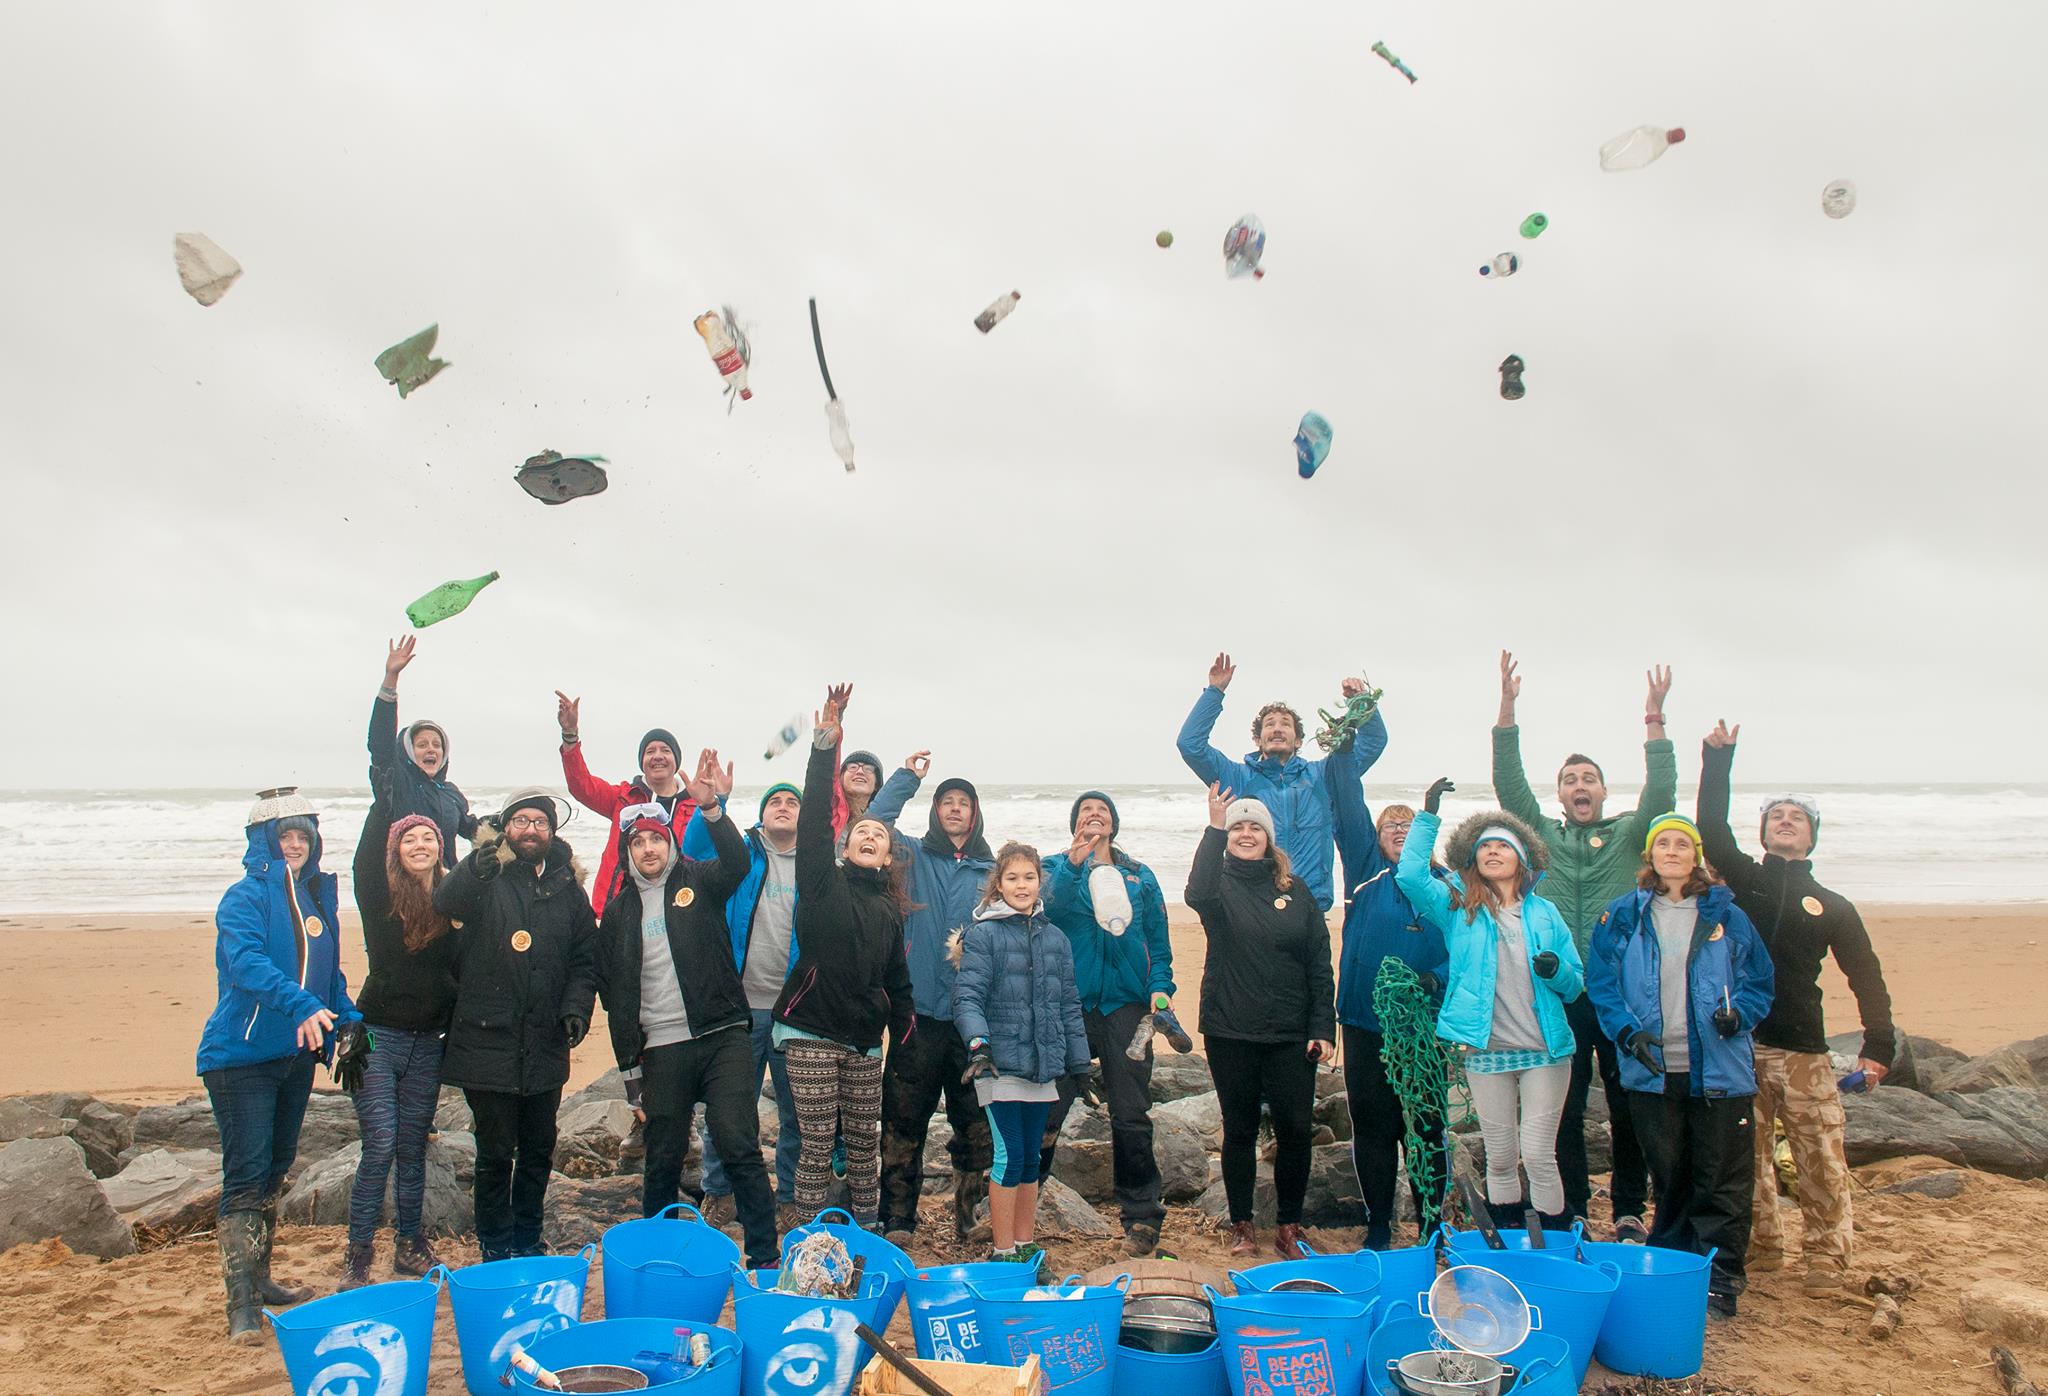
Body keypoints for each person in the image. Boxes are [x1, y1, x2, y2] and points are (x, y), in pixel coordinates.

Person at [1697, 720, 1895, 1298]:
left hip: (1806, 1050)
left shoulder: (1832, 905)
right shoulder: (1747, 881)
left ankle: (1828, 1263)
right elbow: (1710, 826)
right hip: (1741, 1045)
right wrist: (1719, 759)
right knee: (1748, 1161)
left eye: (1798, 817)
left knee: (1821, 1161)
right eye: (1777, 816)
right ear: (1763, 832)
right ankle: (1764, 1250)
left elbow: (1866, 976)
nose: (1786, 822)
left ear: (1811, 837)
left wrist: (1879, 1047)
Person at [1491, 652, 1675, 1239]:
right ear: (1561, 794)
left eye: (1588, 779)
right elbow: (1509, 786)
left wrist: (1654, 721)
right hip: (1559, 991)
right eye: (1569, 780)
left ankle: (1626, 1209)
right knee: (1562, 1110)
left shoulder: (1628, 834)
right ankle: (1569, 1213)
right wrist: (1508, 709)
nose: (1579, 787)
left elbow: (1662, 793)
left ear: (1602, 788)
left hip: (1621, 992)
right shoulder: (1541, 836)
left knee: (1628, 1104)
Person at [596, 750, 780, 1267]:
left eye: (657, 837)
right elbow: (617, 999)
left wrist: (714, 809)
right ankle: (662, 1260)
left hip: (722, 1035)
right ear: (628, 851)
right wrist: (632, 1075)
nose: (649, 847)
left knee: (738, 1142)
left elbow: (739, 864)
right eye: (639, 841)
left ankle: (764, 1259)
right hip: (662, 1048)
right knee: (662, 1160)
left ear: (670, 841)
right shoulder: (617, 912)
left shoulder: (700, 881)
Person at [1587, 814, 1774, 1318]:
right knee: (1669, 1173)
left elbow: (1759, 980)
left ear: (1697, 855)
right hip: (1651, 1065)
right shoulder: (1622, 915)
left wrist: (1743, 1015)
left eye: (1682, 844)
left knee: (1722, 1176)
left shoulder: (1727, 916)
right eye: (1662, 844)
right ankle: (1672, 1264)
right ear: (1649, 856)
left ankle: (1722, 1277)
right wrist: (1627, 1032)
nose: (1672, 851)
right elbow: (1602, 983)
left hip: (1719, 1068)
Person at [195, 789, 363, 1343]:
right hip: (240, 1057)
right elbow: (246, 966)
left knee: (274, 1170)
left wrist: (348, 1018)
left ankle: (262, 1278)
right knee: (245, 1176)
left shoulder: (315, 901)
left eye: (303, 838)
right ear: (264, 841)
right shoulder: (244, 898)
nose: (294, 845)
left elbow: (327, 979)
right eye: (284, 837)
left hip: (294, 1058)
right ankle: (240, 1303)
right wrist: (303, 1006)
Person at [1399, 780, 1584, 1230]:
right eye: (1485, 847)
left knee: (1539, 1154)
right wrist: (1428, 815)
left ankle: (1556, 1242)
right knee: (1500, 1156)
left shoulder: (1546, 913)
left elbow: (1575, 984)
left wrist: (1554, 970)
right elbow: (1409, 875)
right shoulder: (1457, 907)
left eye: (1504, 845)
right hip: (1486, 1052)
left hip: (1545, 1052)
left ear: (1522, 858)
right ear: (1474, 860)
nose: (1493, 852)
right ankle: (1509, 1240)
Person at [772, 685, 916, 1225]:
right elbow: (812, 818)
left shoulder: (889, 908)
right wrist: (825, 742)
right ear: (847, 843)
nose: (871, 836)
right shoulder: (821, 882)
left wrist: (899, 1040)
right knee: (815, 1144)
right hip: (809, 1030)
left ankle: (868, 1233)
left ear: (886, 855)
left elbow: (898, 986)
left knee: (863, 1146)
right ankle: (810, 1242)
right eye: (863, 830)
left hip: (862, 1043)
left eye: (879, 834)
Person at [434, 788, 598, 1261]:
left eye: (540, 822)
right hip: (488, 1038)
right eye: (522, 821)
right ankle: (493, 1245)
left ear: (552, 832)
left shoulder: (568, 887)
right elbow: (446, 902)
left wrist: (576, 1008)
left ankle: (527, 1240)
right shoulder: (486, 873)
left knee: (539, 1149)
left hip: (546, 1041)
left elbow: (585, 958)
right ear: (506, 828)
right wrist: (473, 866)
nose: (531, 829)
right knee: (494, 1152)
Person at [1186, 784, 1336, 1259]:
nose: (1246, 833)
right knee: (1241, 1129)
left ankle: (1289, 1226)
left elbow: (1318, 961)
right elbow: (1196, 890)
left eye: (1255, 827)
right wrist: (1213, 828)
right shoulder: (1217, 887)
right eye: (1238, 827)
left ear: (1270, 838)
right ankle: (1243, 1227)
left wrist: (1322, 1027)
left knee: (1295, 1128)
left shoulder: (1294, 888)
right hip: (1231, 1028)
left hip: (1290, 1032)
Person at [1034, 792, 1176, 1257]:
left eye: (1102, 811)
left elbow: (1157, 938)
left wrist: (1160, 989)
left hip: (1126, 1006)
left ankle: (1141, 1216)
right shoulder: (1056, 867)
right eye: (1084, 812)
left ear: (1114, 822)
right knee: (1047, 1111)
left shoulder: (1138, 873)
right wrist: (1075, 865)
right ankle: (1022, 1206)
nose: (1094, 816)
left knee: (1131, 1112)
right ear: (1073, 824)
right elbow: (1044, 912)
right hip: (1068, 1005)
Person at [867, 749, 996, 1244]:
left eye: (964, 801)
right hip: (916, 1015)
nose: (955, 808)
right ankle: (897, 1219)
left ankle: (972, 1218)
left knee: (975, 1126)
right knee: (902, 1122)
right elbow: (873, 822)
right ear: (935, 810)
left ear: (976, 811)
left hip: (972, 1021)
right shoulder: (910, 855)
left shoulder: (991, 868)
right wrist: (907, 778)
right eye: (947, 801)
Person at [339, 781, 460, 1287]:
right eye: (408, 840)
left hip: (428, 1042)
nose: (419, 845)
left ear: (440, 849)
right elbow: (370, 844)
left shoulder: (457, 904)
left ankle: (410, 1245)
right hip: (373, 1038)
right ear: (396, 850)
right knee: (381, 1143)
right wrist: (384, 786)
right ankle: (358, 1253)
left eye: (428, 839)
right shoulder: (378, 894)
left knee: (412, 1146)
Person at [954, 843, 1091, 1265]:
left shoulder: (1056, 938)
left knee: (1032, 1160)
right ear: (998, 884)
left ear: (1039, 882)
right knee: (1009, 1156)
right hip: (997, 1067)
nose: (1021, 885)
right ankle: (1002, 1250)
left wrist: (1081, 1064)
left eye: (1028, 877)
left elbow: (1069, 1004)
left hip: (1041, 1068)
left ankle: (1024, 1244)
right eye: (1012, 878)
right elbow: (967, 998)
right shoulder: (983, 935)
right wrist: (979, 1044)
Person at [1330, 777, 1449, 1250]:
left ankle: (1432, 1226)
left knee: (1425, 1127)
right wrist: (1345, 749)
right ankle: (1378, 1223)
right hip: (1364, 1022)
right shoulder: (1364, 871)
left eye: (1410, 824)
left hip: (1422, 1027)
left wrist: (1435, 977)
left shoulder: (1446, 886)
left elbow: (1467, 947)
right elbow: (1346, 806)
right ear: (1376, 836)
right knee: (1374, 1126)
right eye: (1390, 824)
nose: (1400, 829)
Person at [680, 780, 806, 1227]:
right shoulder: (745, 853)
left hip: (795, 1012)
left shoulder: (817, 862)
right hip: (739, 1005)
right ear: (763, 813)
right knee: (729, 1108)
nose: (784, 807)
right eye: (775, 801)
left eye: (793, 802)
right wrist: (714, 801)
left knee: (797, 1111)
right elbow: (693, 846)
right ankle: (720, 1192)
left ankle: (790, 1195)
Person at [1176, 656, 1387, 912]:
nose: (1277, 729)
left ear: (1298, 741)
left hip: (1310, 901)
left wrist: (1360, 702)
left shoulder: (1324, 776)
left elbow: (1373, 743)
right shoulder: (1236, 777)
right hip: (1255, 900)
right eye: (1270, 725)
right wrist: (1214, 692)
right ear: (1258, 738)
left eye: (1285, 725)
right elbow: (1190, 745)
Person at [555, 691, 699, 914]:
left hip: (674, 910)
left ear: (676, 761)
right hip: (617, 908)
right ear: (642, 762)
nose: (658, 756)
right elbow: (581, 786)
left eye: (666, 750)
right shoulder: (624, 797)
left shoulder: (695, 807)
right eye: (650, 751)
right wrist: (570, 735)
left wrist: (715, 802)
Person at [371, 636, 474, 867]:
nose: (431, 750)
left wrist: (514, 819)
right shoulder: (397, 783)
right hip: (404, 880)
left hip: (445, 885)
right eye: (422, 744)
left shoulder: (450, 793)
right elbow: (381, 744)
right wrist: (391, 679)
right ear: (407, 751)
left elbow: (472, 829)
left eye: (437, 745)